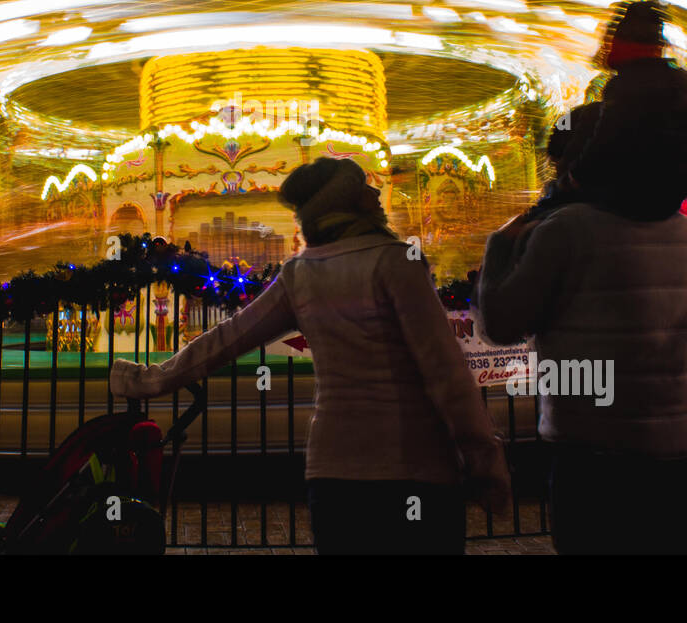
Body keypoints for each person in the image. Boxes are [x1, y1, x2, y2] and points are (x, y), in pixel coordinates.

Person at [110, 156, 511, 554]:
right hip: (413, 470)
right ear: (346, 201)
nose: (374, 192)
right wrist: (484, 454)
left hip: (334, 475)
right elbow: (445, 369)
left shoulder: (301, 274)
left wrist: (151, 379)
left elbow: (226, 340)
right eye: (362, 186)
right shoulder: (396, 261)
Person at [473, 194, 687, 554]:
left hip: (590, 449)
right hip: (676, 443)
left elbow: (502, 323)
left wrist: (498, 246)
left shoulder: (565, 229)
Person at [547, 0, 687, 222]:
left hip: (629, 196)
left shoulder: (626, 85)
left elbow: (605, 140)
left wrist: (575, 178)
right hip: (670, 192)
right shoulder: (679, 82)